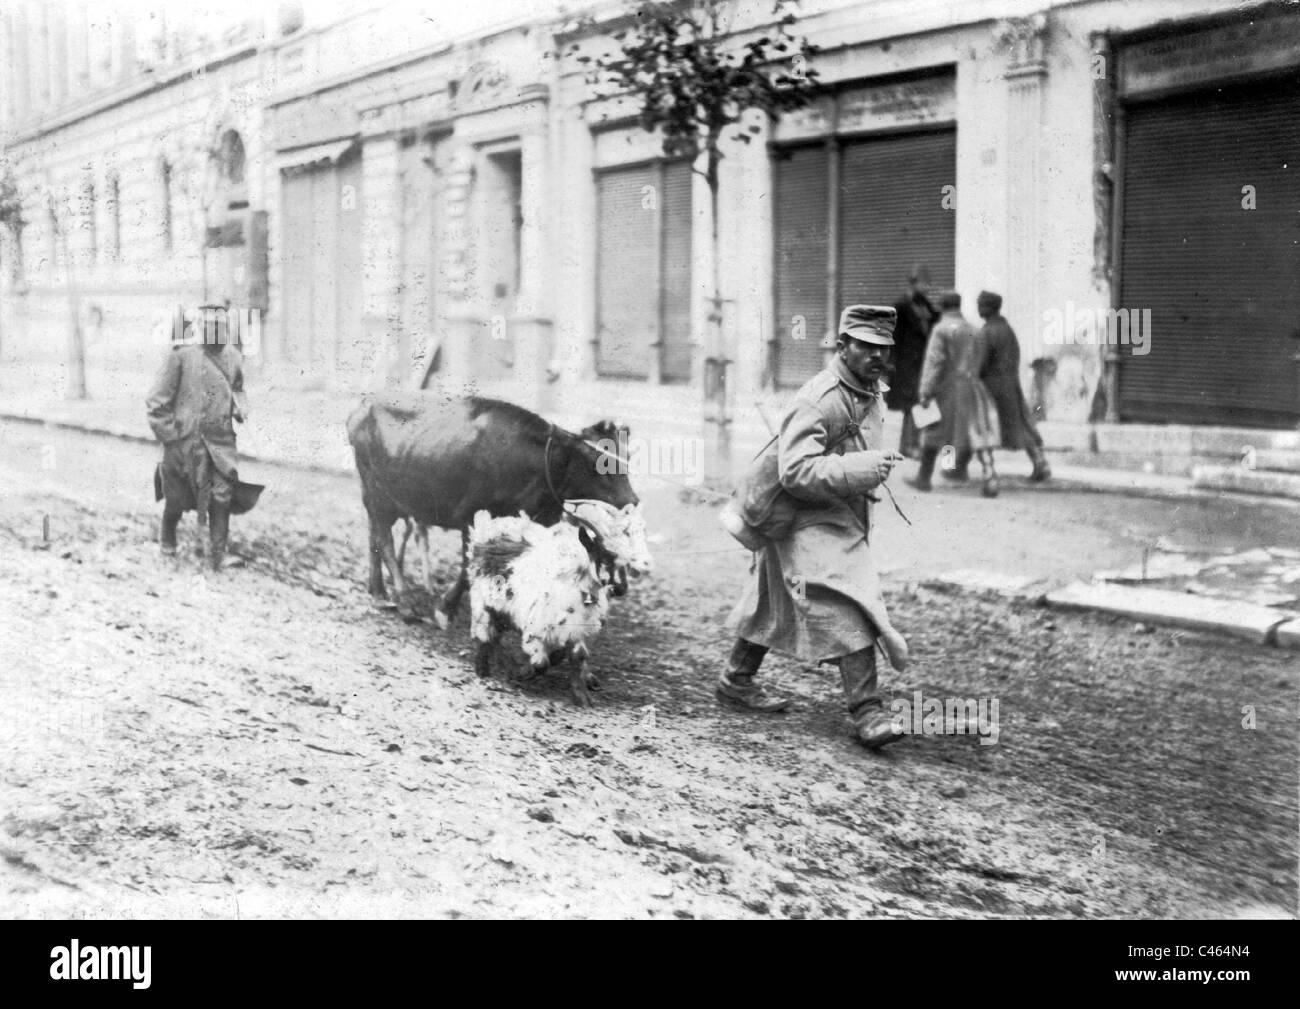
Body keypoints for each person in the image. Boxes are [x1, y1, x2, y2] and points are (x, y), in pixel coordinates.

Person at [720, 305, 910, 752]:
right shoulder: (820, 397)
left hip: (823, 513)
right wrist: (862, 469)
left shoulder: (866, 389)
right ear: (842, 346)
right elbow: (796, 472)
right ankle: (867, 710)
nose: (876, 356)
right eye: (865, 347)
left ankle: (736, 679)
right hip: (804, 515)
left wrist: (859, 474)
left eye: (883, 348)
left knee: (772, 594)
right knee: (845, 597)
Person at [145, 304, 249, 571]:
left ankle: (218, 553)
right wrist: (171, 436)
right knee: (176, 498)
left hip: (221, 442)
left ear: (227, 328)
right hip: (184, 442)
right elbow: (156, 402)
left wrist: (241, 408)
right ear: (200, 328)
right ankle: (167, 539)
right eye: (209, 326)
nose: (215, 331)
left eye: (220, 326)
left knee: (222, 495)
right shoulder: (181, 357)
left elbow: (238, 389)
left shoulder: (234, 357)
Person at [909, 290, 1001, 497]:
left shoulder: (942, 330)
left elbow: (934, 363)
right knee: (977, 432)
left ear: (942, 307)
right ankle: (988, 474)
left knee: (936, 431)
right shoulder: (976, 330)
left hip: (948, 389)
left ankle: (923, 479)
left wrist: (925, 391)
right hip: (973, 387)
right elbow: (984, 362)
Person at [956, 290, 1051, 482]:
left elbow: (978, 364)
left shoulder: (986, 332)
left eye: (981, 305)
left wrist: (968, 376)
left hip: (990, 389)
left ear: (988, 308)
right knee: (1021, 424)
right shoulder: (1007, 329)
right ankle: (1040, 463)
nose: (979, 309)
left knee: (979, 427)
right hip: (1010, 385)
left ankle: (963, 468)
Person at [886, 266, 939, 459]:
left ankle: (909, 445)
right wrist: (890, 361)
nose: (926, 288)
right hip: (906, 364)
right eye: (922, 283)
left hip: (923, 363)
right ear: (913, 283)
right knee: (912, 404)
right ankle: (910, 446)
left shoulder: (929, 308)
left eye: (928, 284)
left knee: (917, 404)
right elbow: (893, 336)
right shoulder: (901, 306)